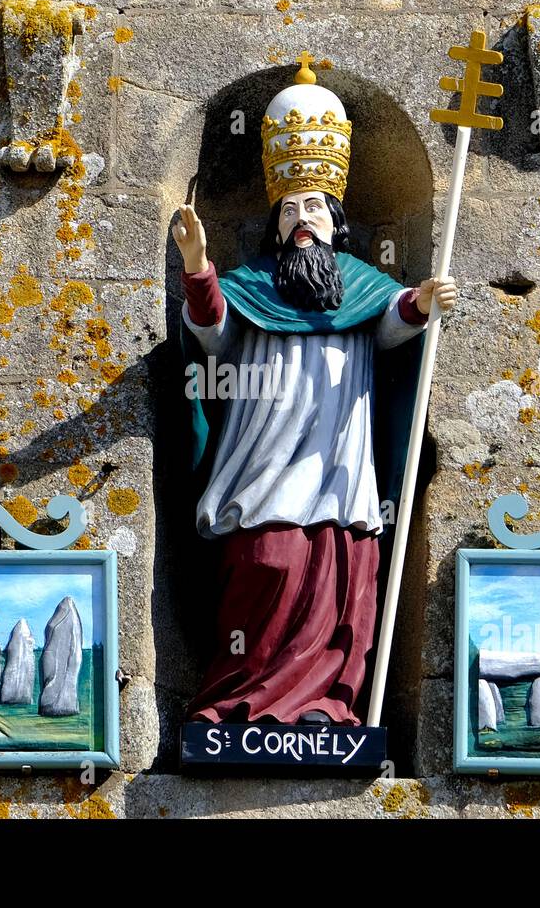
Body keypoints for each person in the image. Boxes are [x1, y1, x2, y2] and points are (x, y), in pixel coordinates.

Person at [173, 56, 457, 726]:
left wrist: (420, 302)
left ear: (336, 221)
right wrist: (195, 265)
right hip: (262, 456)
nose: (303, 220)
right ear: (276, 224)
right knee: (266, 561)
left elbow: (392, 327)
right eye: (292, 210)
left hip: (339, 461)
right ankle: (237, 699)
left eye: (315, 210)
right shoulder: (248, 285)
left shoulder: (358, 282)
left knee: (339, 573)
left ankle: (329, 703)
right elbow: (210, 334)